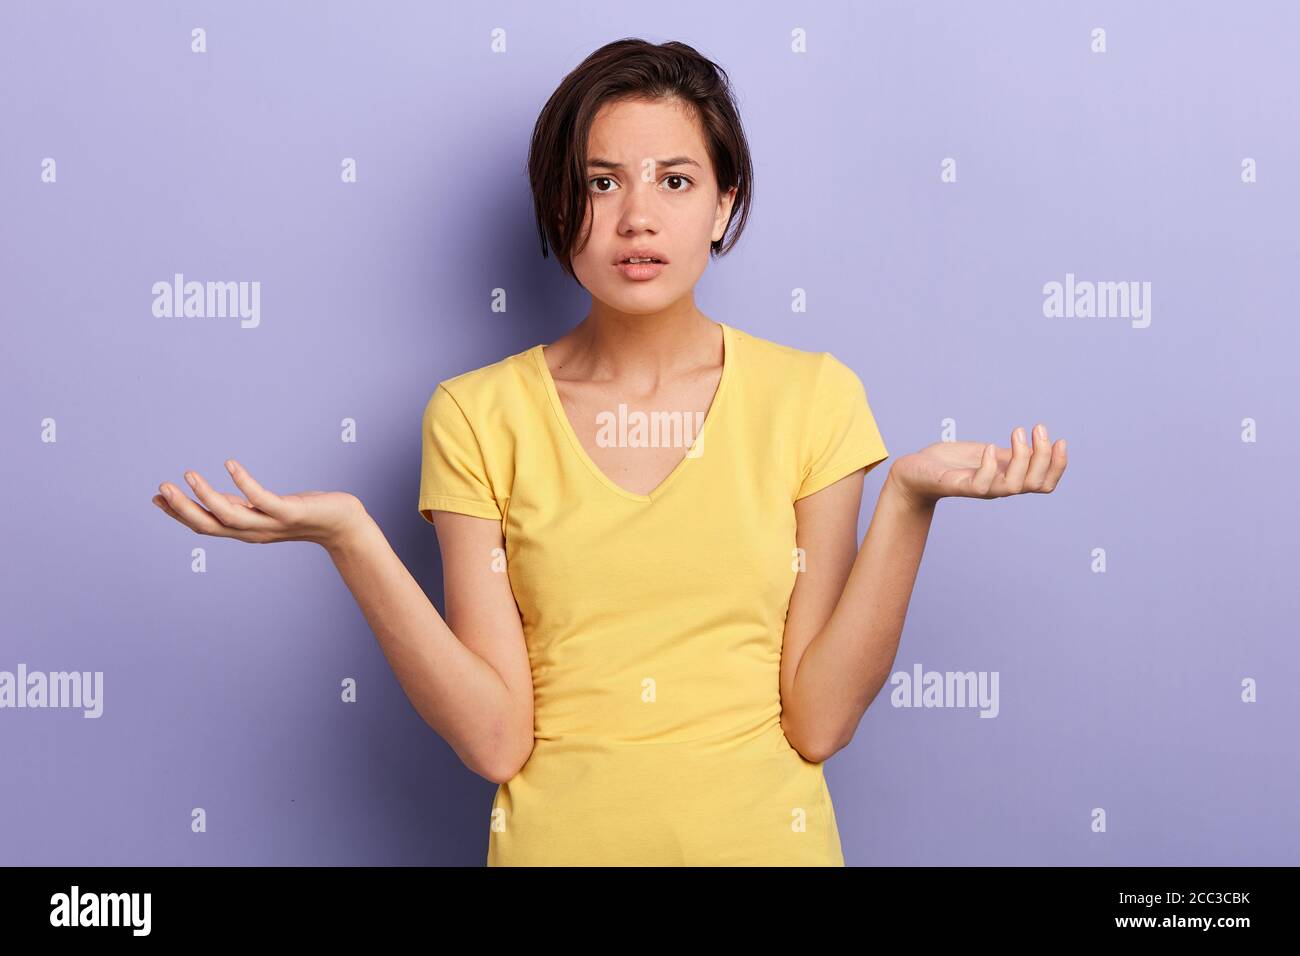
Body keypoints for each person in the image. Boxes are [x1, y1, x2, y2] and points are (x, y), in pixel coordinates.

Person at [151, 38, 1068, 866]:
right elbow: (496, 742)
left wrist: (908, 500)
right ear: (562, 204)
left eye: (675, 181)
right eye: (601, 182)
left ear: (722, 204)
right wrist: (352, 539)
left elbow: (818, 721)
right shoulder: (476, 416)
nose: (637, 217)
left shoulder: (813, 399)